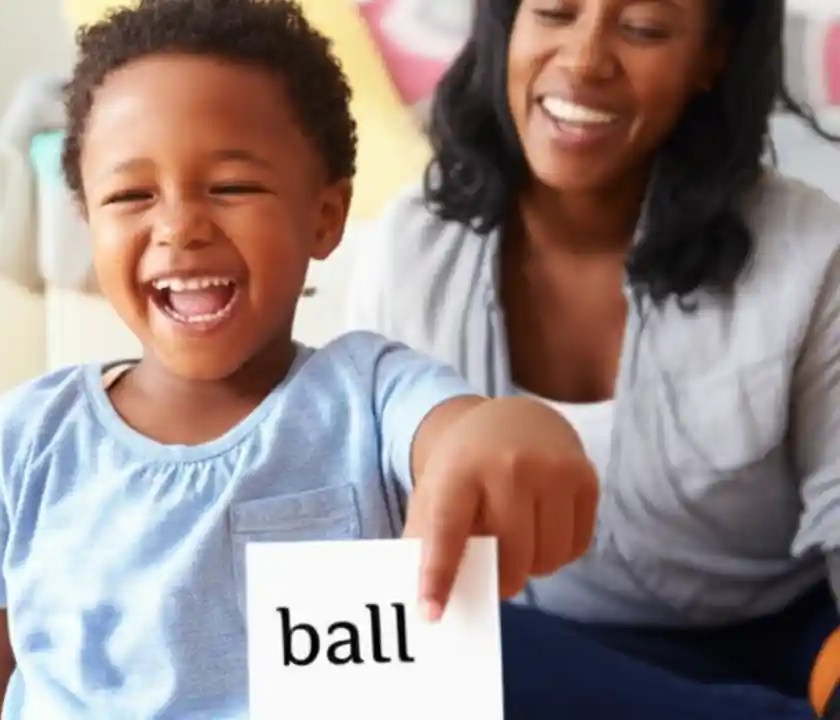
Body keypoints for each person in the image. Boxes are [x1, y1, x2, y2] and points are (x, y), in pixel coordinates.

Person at [0, 0, 600, 717]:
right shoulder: (26, 440)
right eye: (131, 194)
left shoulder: (370, 393)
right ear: (90, 224)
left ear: (324, 217)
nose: (179, 226)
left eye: (232, 187)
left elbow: (461, 432)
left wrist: (510, 428)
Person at [347, 0, 840, 717]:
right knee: (415, 650)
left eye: (643, 29)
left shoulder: (813, 252)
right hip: (547, 651)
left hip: (788, 641)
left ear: (713, 58)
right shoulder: (410, 248)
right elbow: (370, 522)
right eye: (551, 13)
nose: (583, 60)